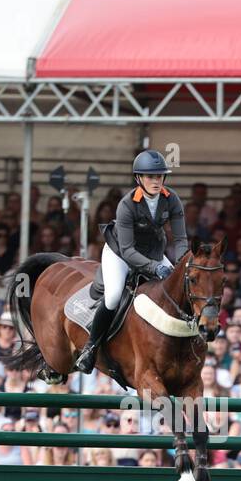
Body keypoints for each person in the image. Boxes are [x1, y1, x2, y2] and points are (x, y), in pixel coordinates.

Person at [75, 149, 188, 374]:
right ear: (139, 179)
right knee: (114, 295)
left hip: (154, 252)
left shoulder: (172, 199)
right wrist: (156, 268)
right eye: (150, 177)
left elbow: (181, 238)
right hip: (121, 254)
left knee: (180, 287)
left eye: (159, 176)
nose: (156, 181)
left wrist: (183, 265)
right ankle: (91, 348)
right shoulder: (127, 204)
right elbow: (127, 250)